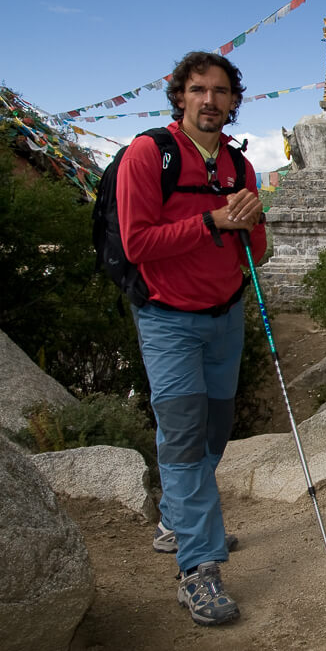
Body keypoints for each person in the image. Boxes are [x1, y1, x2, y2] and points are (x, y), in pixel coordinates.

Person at [118, 51, 266, 626]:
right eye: (199, 89)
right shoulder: (147, 156)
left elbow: (253, 252)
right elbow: (137, 244)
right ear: (179, 95)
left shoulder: (239, 166)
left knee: (215, 430)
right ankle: (199, 569)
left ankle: (176, 519)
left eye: (221, 91)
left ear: (233, 101)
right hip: (167, 319)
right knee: (182, 440)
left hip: (226, 314)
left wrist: (252, 226)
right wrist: (212, 222)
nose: (210, 100)